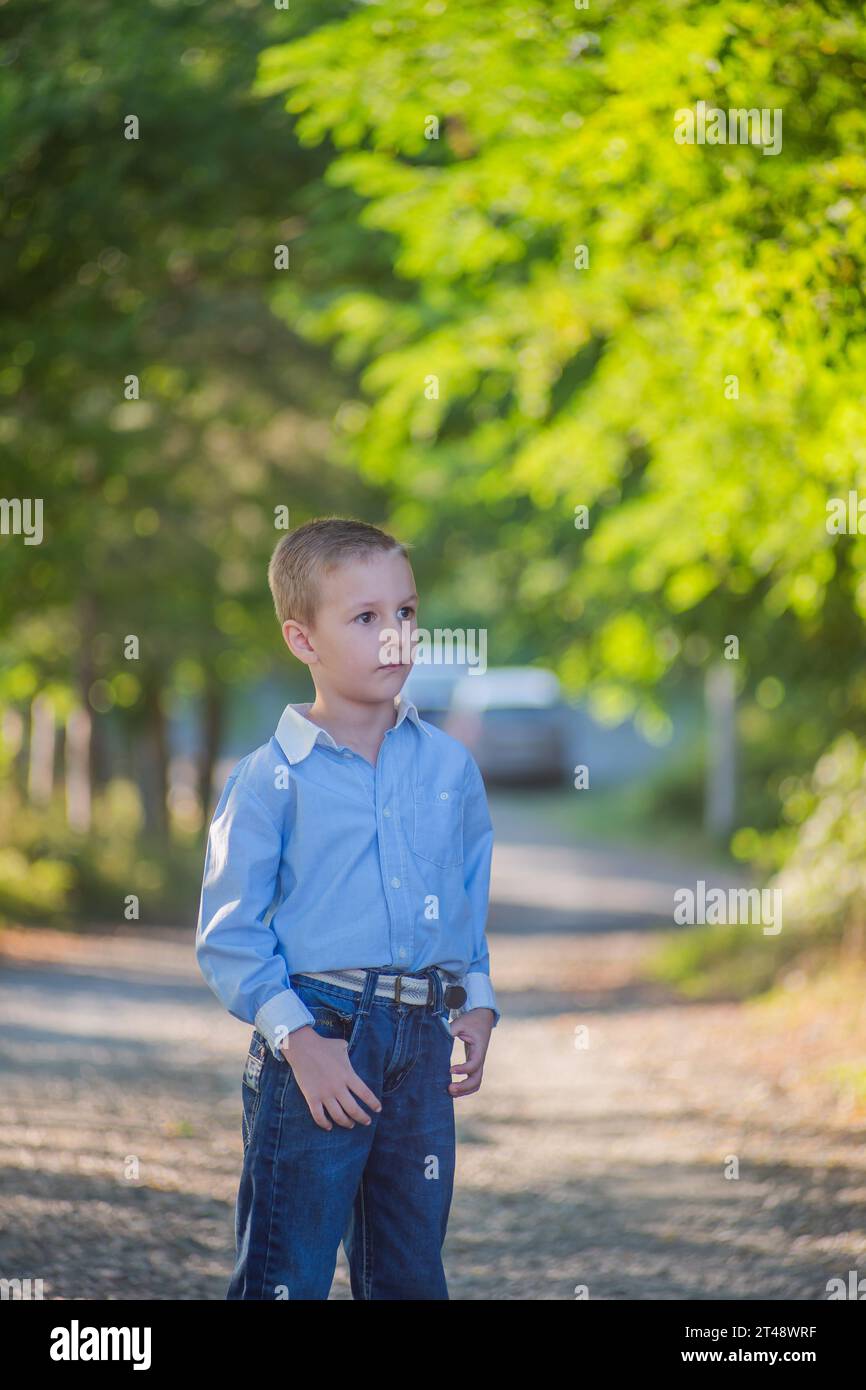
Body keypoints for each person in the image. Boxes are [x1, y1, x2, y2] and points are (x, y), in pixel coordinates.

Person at [195, 515, 499, 1300]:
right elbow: (230, 935)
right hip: (320, 1039)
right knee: (286, 1271)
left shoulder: (450, 768)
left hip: (422, 1044)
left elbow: (463, 905)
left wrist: (475, 998)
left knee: (409, 1273)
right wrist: (300, 1043)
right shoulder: (269, 779)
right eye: (365, 617)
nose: (395, 635)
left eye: (407, 611)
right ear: (303, 640)